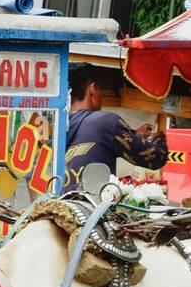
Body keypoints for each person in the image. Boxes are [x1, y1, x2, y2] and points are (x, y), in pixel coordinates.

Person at [63, 64, 167, 192]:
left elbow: (100, 141)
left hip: (60, 206)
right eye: (100, 89)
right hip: (91, 207)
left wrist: (133, 134)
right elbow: (155, 158)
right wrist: (159, 139)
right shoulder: (105, 121)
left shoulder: (61, 126)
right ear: (93, 88)